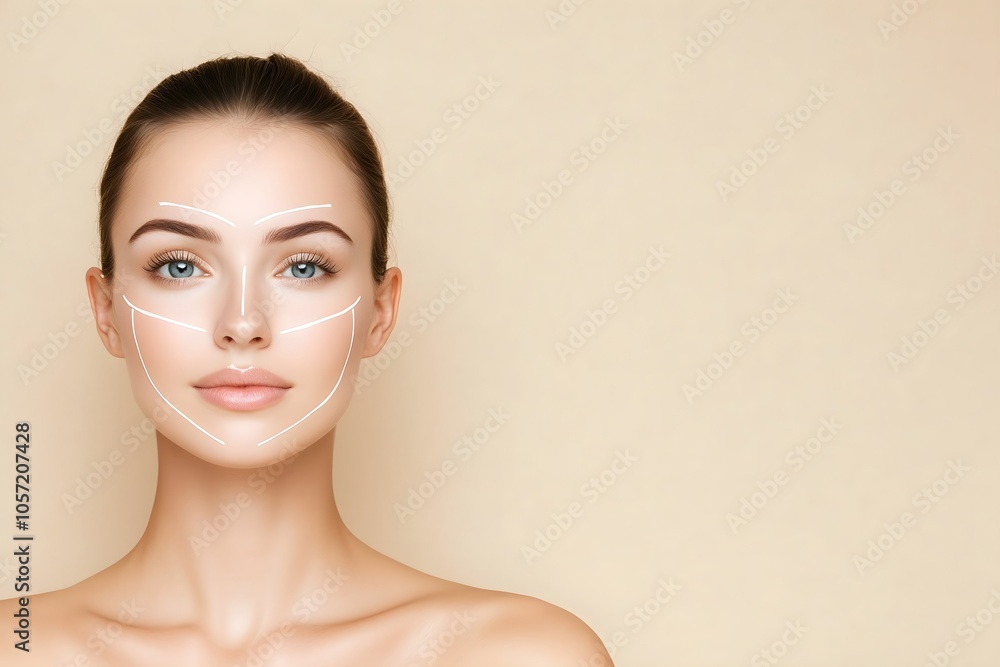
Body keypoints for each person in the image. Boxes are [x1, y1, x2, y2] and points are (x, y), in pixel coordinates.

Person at [1, 53, 613, 666]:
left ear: (381, 310)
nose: (243, 323)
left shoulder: (519, 656)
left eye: (304, 267)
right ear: (106, 309)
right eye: (179, 266)